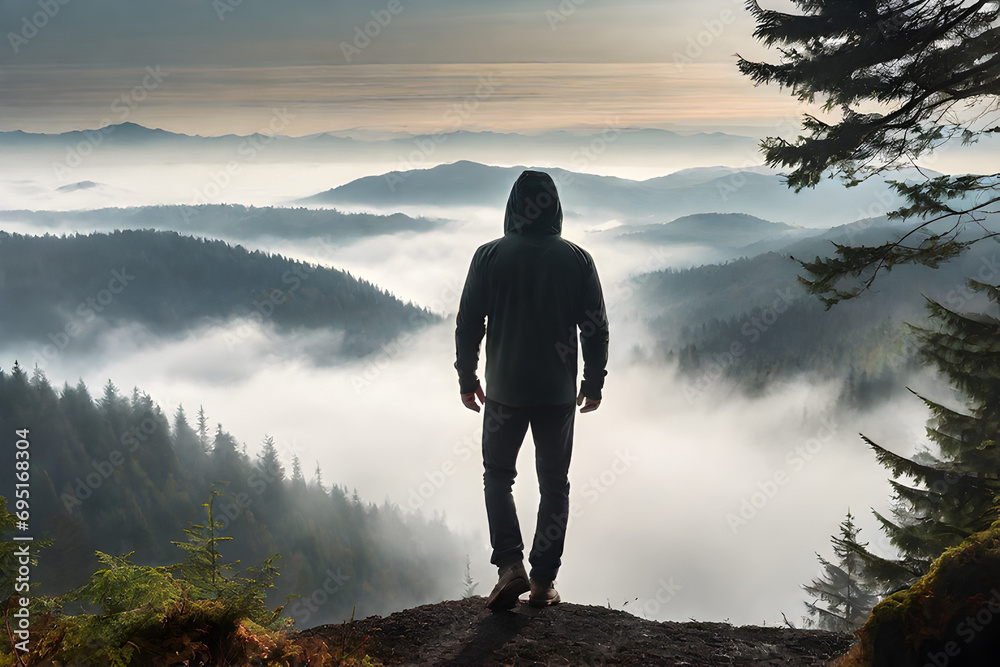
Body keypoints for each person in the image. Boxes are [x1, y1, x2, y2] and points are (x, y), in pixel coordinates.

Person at [454, 169, 609, 611]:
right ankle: (543, 582)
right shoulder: (578, 260)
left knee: (498, 476)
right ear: (554, 207)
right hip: (557, 394)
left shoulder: (487, 256)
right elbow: (595, 329)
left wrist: (468, 379)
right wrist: (592, 383)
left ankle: (509, 566)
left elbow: (469, 324)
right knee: (554, 484)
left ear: (512, 207)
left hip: (503, 390)